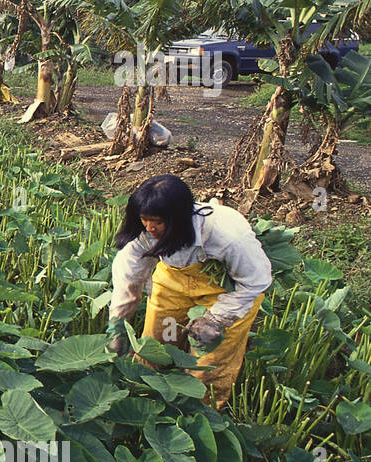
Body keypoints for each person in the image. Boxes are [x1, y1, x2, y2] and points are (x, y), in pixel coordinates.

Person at [106, 174, 273, 410]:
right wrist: (117, 324)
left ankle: (198, 415)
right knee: (155, 346)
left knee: (209, 364)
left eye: (157, 222)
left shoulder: (229, 237)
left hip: (225, 292)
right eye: (144, 220)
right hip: (173, 280)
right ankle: (147, 404)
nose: (149, 228)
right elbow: (129, 277)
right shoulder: (145, 231)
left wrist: (215, 319)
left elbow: (256, 283)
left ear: (179, 220)